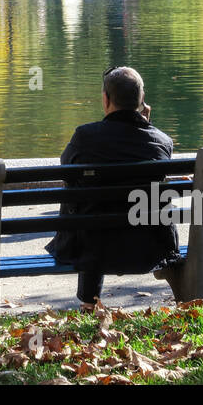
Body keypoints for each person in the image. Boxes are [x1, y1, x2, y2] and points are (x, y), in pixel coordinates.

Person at [46, 67, 178, 306]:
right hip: (148, 249)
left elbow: (67, 168)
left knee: (90, 206)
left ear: (106, 99)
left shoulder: (85, 137)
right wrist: (147, 126)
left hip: (89, 250)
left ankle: (89, 301)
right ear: (141, 101)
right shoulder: (162, 141)